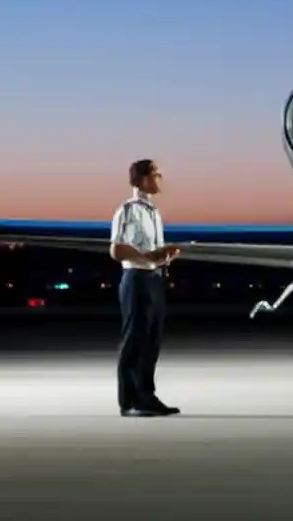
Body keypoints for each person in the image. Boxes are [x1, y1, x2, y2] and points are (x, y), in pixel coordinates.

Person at [109, 158, 182, 417]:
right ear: (140, 179)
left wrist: (164, 256)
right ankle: (129, 401)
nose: (160, 178)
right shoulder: (128, 210)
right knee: (135, 340)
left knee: (152, 340)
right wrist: (148, 257)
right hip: (136, 278)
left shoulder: (153, 212)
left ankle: (146, 395)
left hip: (153, 278)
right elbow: (117, 250)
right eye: (155, 174)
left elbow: (151, 251)